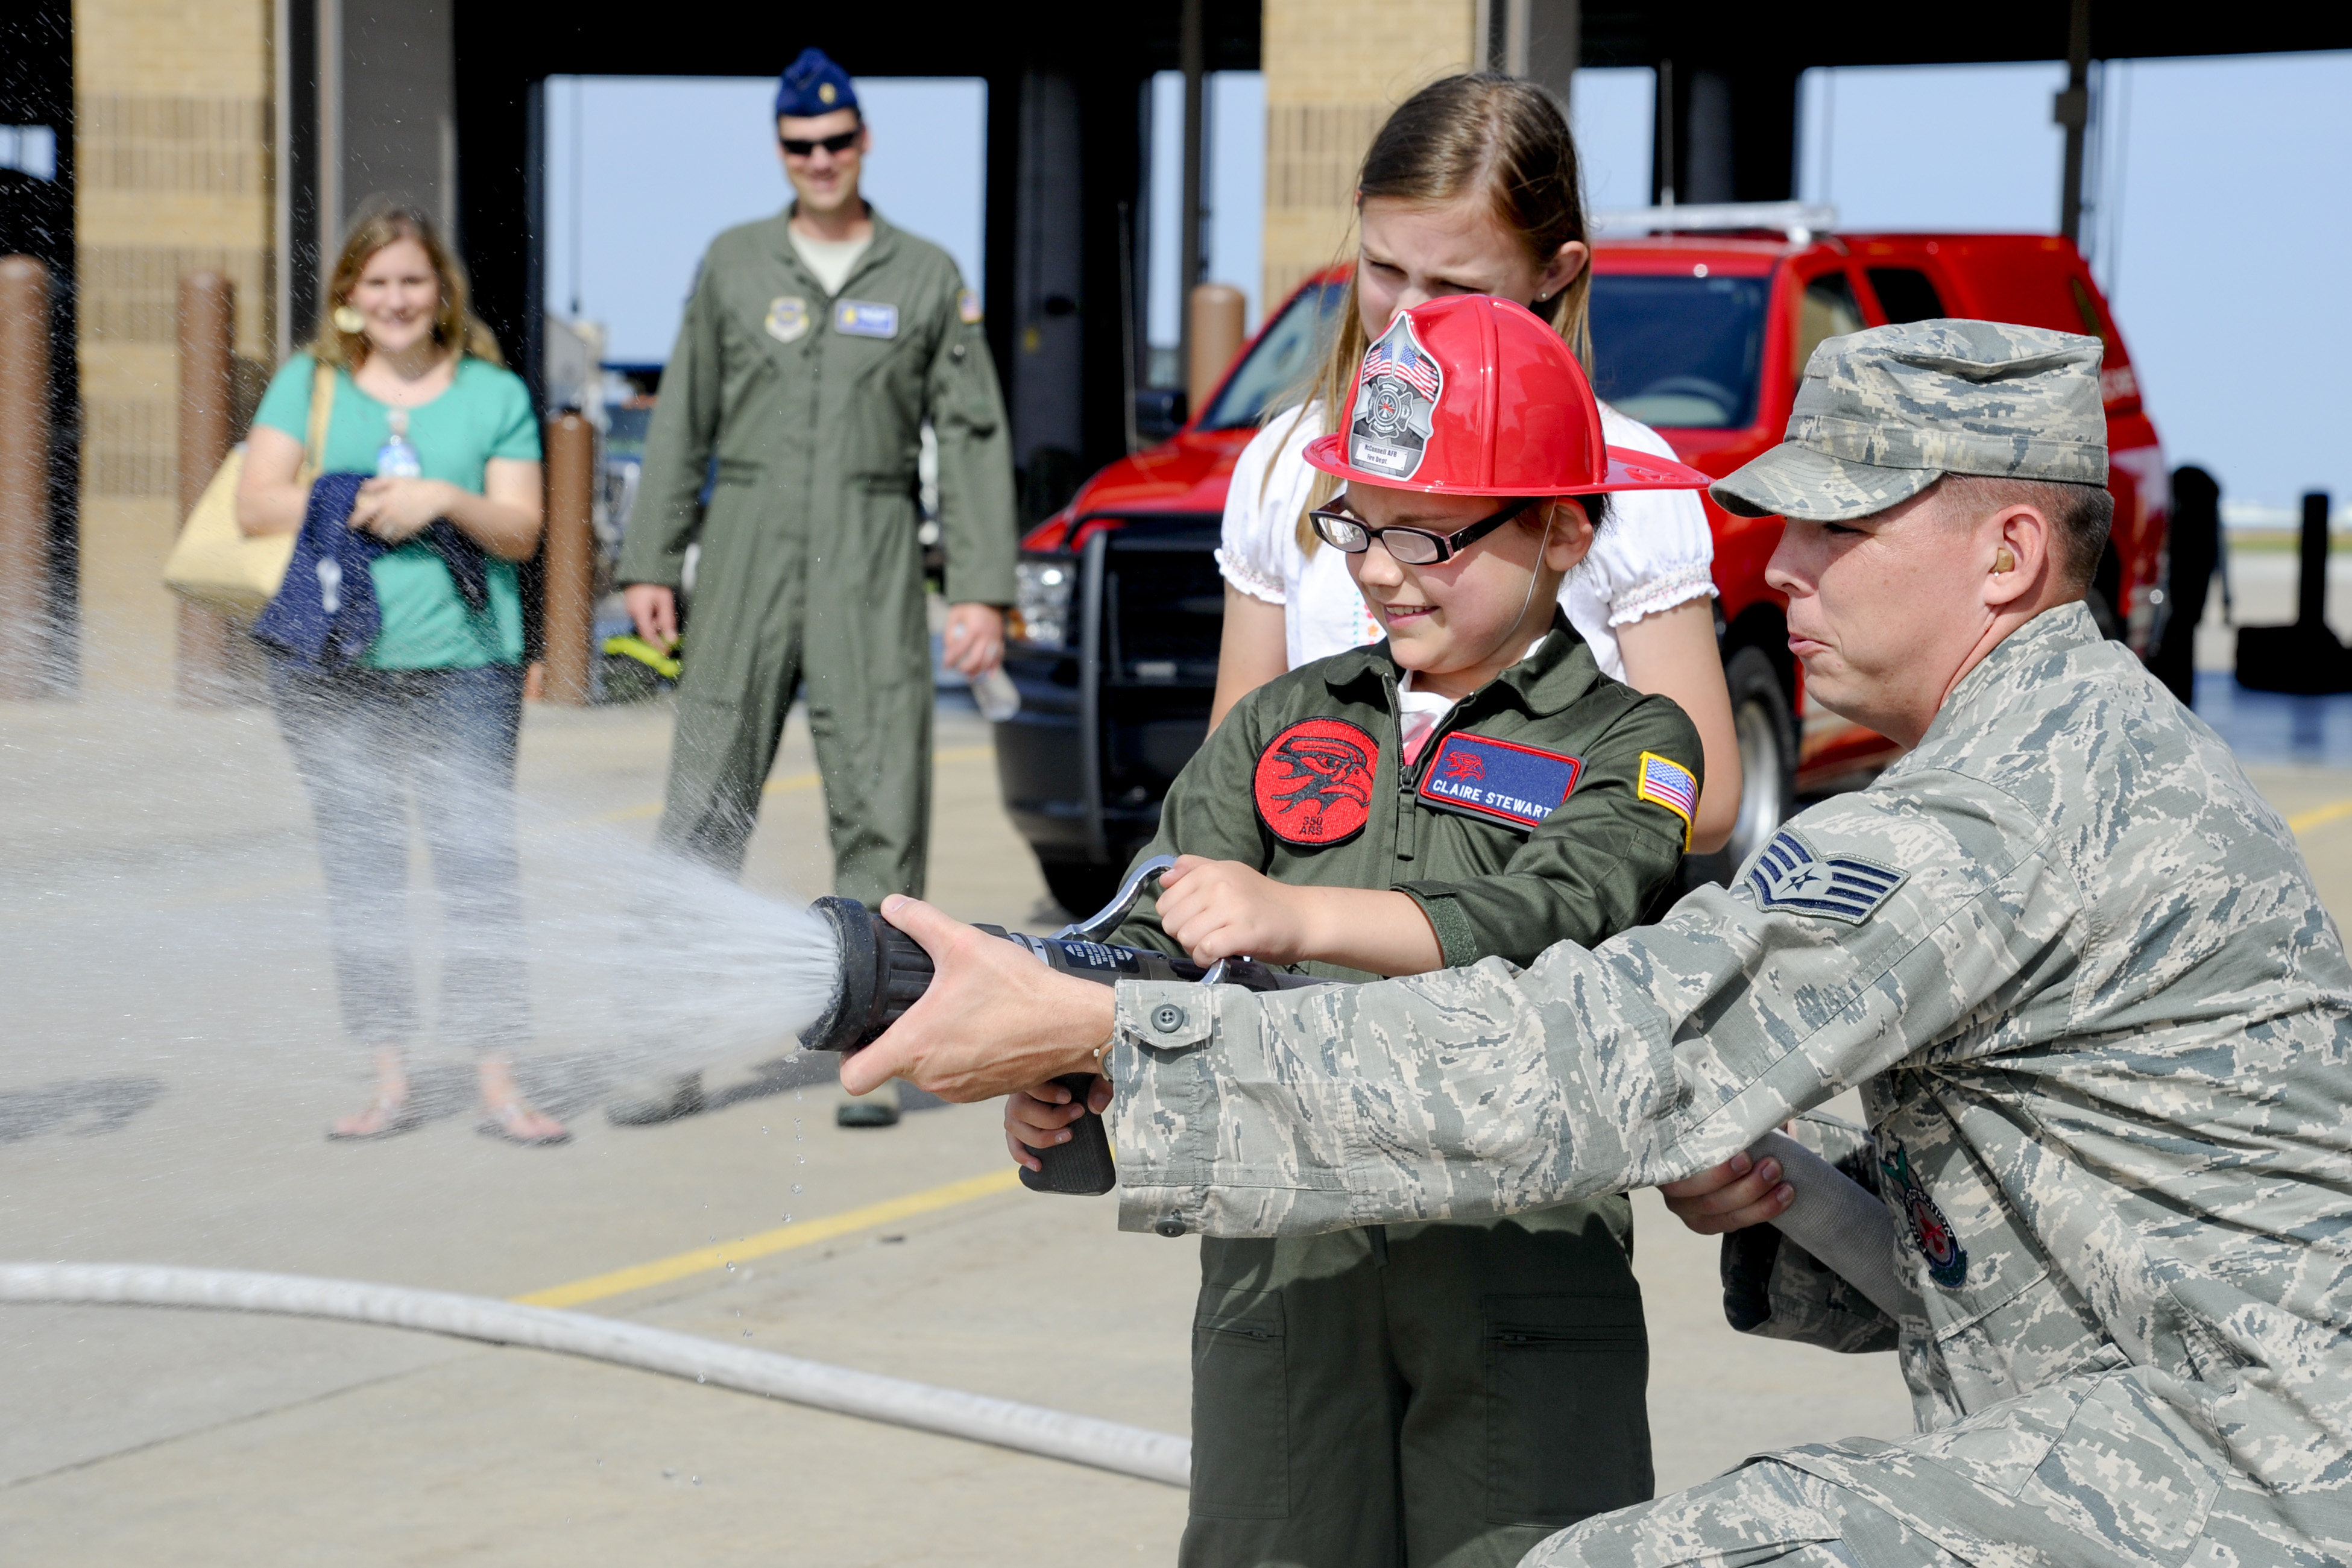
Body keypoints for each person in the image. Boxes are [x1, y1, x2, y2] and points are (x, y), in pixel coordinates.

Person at [842, 321, 2352, 1566]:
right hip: (2192, 1425)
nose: (1784, 571)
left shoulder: (2000, 808)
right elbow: (2055, 1237)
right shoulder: (2074, 747)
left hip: (2241, 1470)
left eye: (1836, 525)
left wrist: (1111, 1041)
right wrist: (1803, 1194)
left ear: (2009, 553)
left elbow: (1597, 1049)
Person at [1009, 294, 1714, 1567]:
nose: (1377, 568)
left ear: (1563, 525)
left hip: (1518, 1272)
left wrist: (1296, 910)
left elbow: (1549, 913)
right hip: (1285, 1277)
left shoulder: (1633, 744)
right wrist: (1069, 1075)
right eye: (1356, 524)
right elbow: (1148, 932)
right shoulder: (1285, 719)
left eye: (1428, 534)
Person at [611, 46, 1017, 1130]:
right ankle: (666, 1047)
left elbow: (971, 438)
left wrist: (979, 587)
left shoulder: (925, 274)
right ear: (780, 152)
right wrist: (652, 557)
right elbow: (683, 415)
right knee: (702, 800)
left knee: (882, 801)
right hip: (744, 543)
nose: (821, 160)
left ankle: (880, 1045)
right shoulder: (736, 264)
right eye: (801, 147)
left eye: (838, 142)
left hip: (875, 542)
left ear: (864, 141)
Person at [1212, 74, 1742, 855]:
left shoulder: (1624, 472)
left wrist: (1469, 793)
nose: (1406, 314)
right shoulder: (1284, 460)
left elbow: (1708, 799)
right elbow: (1232, 757)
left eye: (1455, 286)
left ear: (1554, 272)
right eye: (1384, 268)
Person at [235, 204, 566, 1145]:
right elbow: (258, 501)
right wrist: (359, 497)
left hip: (468, 664)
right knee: (362, 868)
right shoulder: (311, 384)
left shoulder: (493, 393)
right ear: (347, 296)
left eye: (412, 281)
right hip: (335, 667)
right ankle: (388, 1080)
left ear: (441, 293)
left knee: (477, 867)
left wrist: (445, 499)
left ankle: (498, 1080)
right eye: (376, 283)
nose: (395, 299)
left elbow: (521, 529)